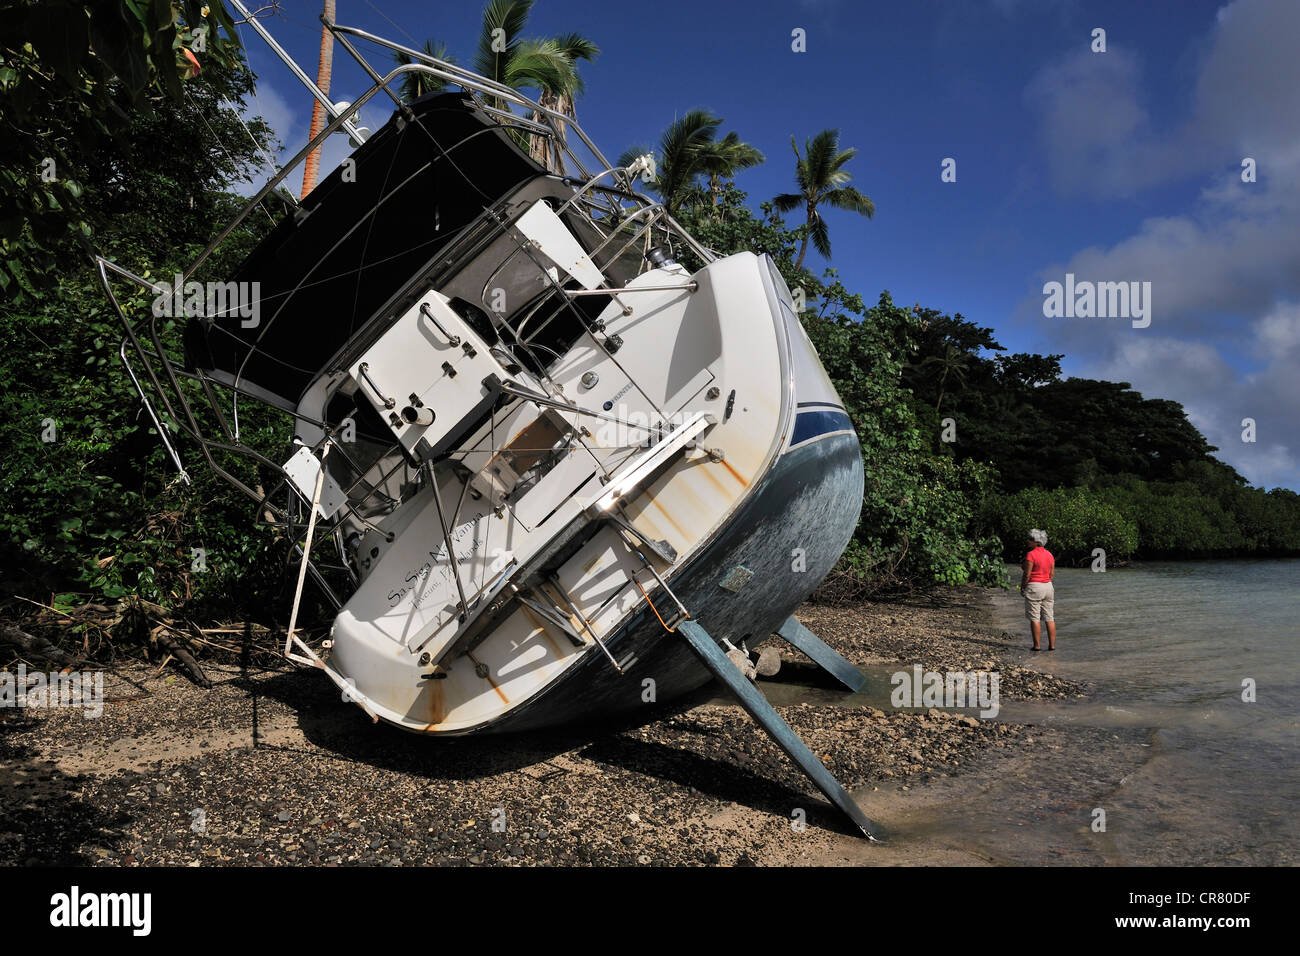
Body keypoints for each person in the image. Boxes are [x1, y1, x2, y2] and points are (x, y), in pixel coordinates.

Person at [1019, 528, 1056, 651]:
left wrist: (1023, 586)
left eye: (1030, 539)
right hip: (1048, 586)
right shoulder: (1050, 555)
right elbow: (1051, 574)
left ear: (1036, 541)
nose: (1028, 541)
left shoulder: (1031, 554)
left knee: (1035, 618)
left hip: (1035, 586)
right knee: (1049, 617)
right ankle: (1052, 646)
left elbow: (1027, 574)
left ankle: (1037, 646)